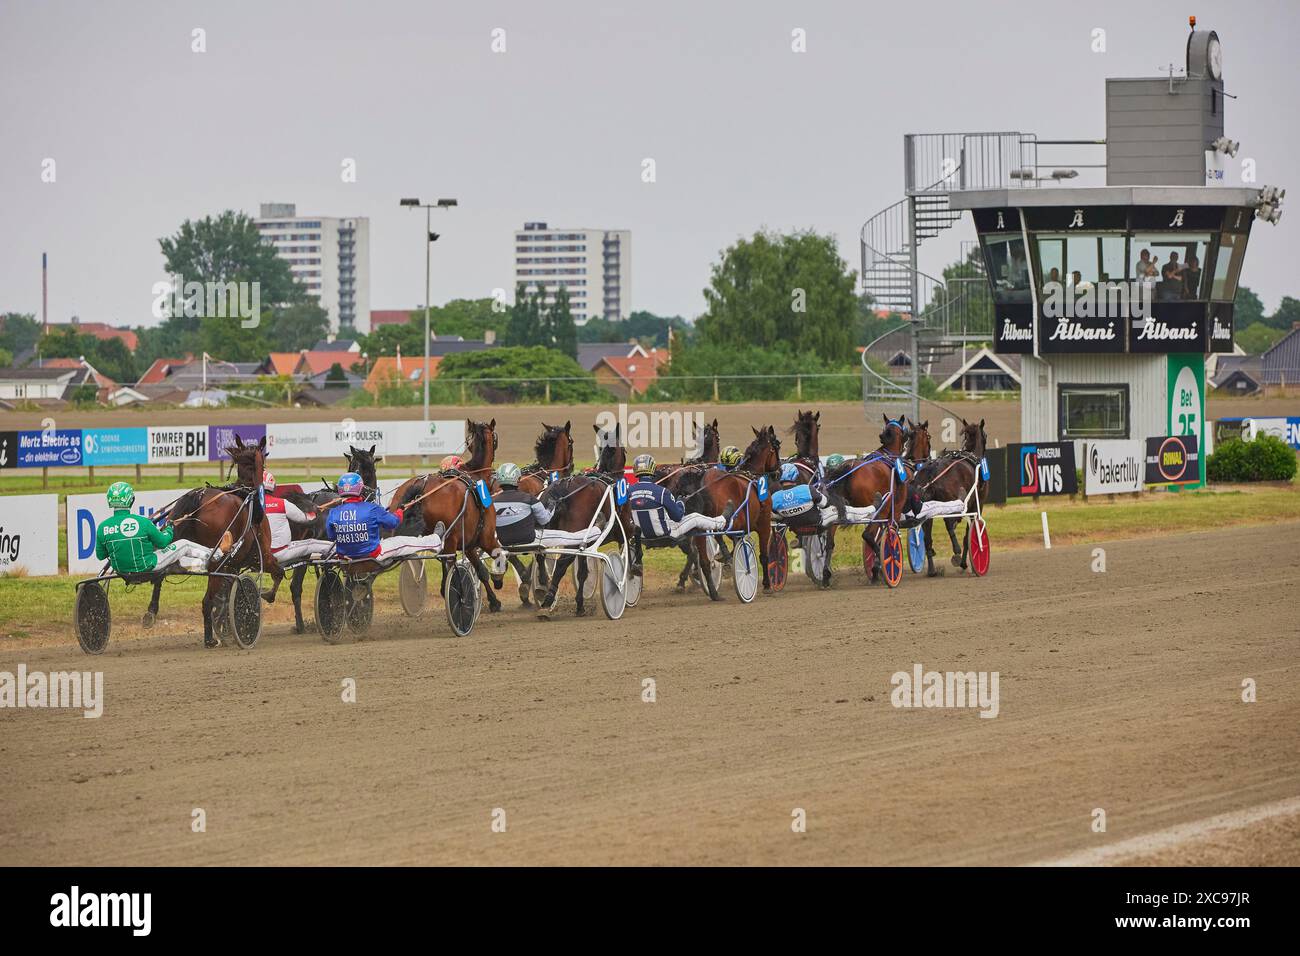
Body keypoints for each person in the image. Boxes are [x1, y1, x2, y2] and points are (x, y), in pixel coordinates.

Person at [95, 481, 231, 575]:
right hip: (147, 566)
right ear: (131, 500)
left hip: (121, 570)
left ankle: (198, 566)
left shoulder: (102, 527)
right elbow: (163, 542)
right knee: (184, 545)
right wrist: (170, 528)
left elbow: (101, 555)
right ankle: (217, 554)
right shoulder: (143, 522)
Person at [325, 472, 445, 562]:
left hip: (344, 557)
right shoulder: (371, 508)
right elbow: (393, 523)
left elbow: (331, 536)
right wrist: (399, 512)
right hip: (372, 555)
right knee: (402, 541)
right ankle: (435, 542)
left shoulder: (333, 512)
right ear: (360, 488)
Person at [626, 454, 731, 540]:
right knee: (695, 517)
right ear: (653, 469)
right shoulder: (662, 492)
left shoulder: (629, 491)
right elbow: (677, 517)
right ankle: (720, 522)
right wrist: (680, 502)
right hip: (666, 533)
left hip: (641, 535)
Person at [769, 463, 877, 528]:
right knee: (845, 510)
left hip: (793, 525)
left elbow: (775, 516)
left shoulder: (775, 497)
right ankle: (872, 509)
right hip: (817, 523)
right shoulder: (806, 489)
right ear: (795, 476)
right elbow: (824, 504)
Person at [261, 470, 333, 565]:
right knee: (311, 544)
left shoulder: (251, 505)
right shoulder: (282, 503)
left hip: (260, 554)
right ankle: (343, 551)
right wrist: (315, 511)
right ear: (273, 486)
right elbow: (305, 519)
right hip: (280, 553)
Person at [490, 462, 555, 548]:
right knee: (573, 536)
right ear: (518, 479)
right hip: (530, 540)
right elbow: (544, 520)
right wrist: (551, 506)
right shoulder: (530, 499)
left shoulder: (491, 503)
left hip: (503, 542)